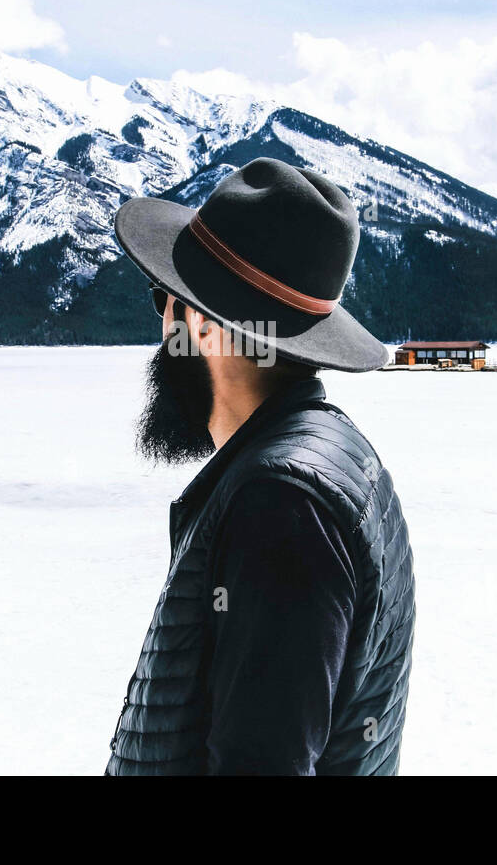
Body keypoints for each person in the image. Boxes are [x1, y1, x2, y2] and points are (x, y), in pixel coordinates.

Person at [106, 157, 415, 775]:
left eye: (164, 300)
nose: (161, 323)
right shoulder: (320, 460)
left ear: (203, 326)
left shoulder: (281, 505)